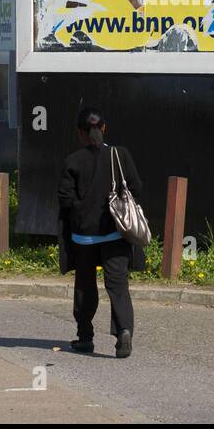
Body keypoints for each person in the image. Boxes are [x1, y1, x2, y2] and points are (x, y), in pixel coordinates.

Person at [56, 107, 144, 358]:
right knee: (118, 286)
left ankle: (85, 337)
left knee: (85, 285)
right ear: (103, 128)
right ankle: (124, 331)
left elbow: (64, 199)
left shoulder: (72, 161)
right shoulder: (120, 155)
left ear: (80, 133)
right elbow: (136, 189)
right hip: (116, 234)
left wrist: (82, 212)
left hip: (84, 237)